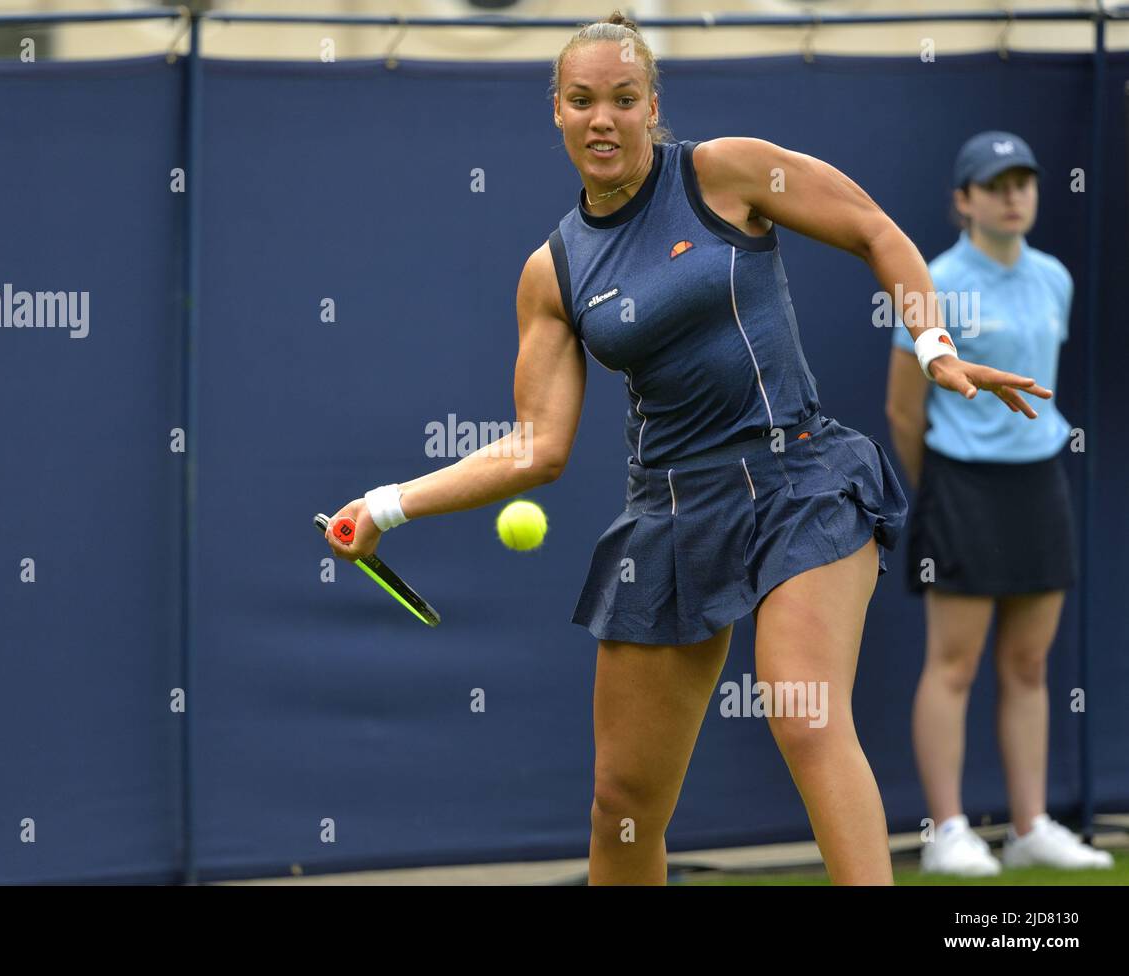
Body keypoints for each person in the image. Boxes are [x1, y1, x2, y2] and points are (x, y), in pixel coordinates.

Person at [324, 12, 1052, 885]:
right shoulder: (552, 273)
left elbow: (873, 229)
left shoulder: (726, 172)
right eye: (583, 100)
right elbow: (535, 448)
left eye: (624, 99)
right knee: (624, 804)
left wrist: (933, 348)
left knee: (804, 710)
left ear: (652, 105)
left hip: (800, 477)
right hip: (669, 516)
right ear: (554, 110)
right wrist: (388, 504)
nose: (604, 119)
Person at [886, 130, 1112, 876]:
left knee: (1028, 664)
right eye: (996, 184)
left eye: (1024, 182)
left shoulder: (1054, 278)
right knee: (952, 665)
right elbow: (903, 412)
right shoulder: (932, 284)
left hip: (1039, 480)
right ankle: (946, 830)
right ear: (963, 200)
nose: (1014, 195)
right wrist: (941, 487)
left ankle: (1028, 825)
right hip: (960, 484)